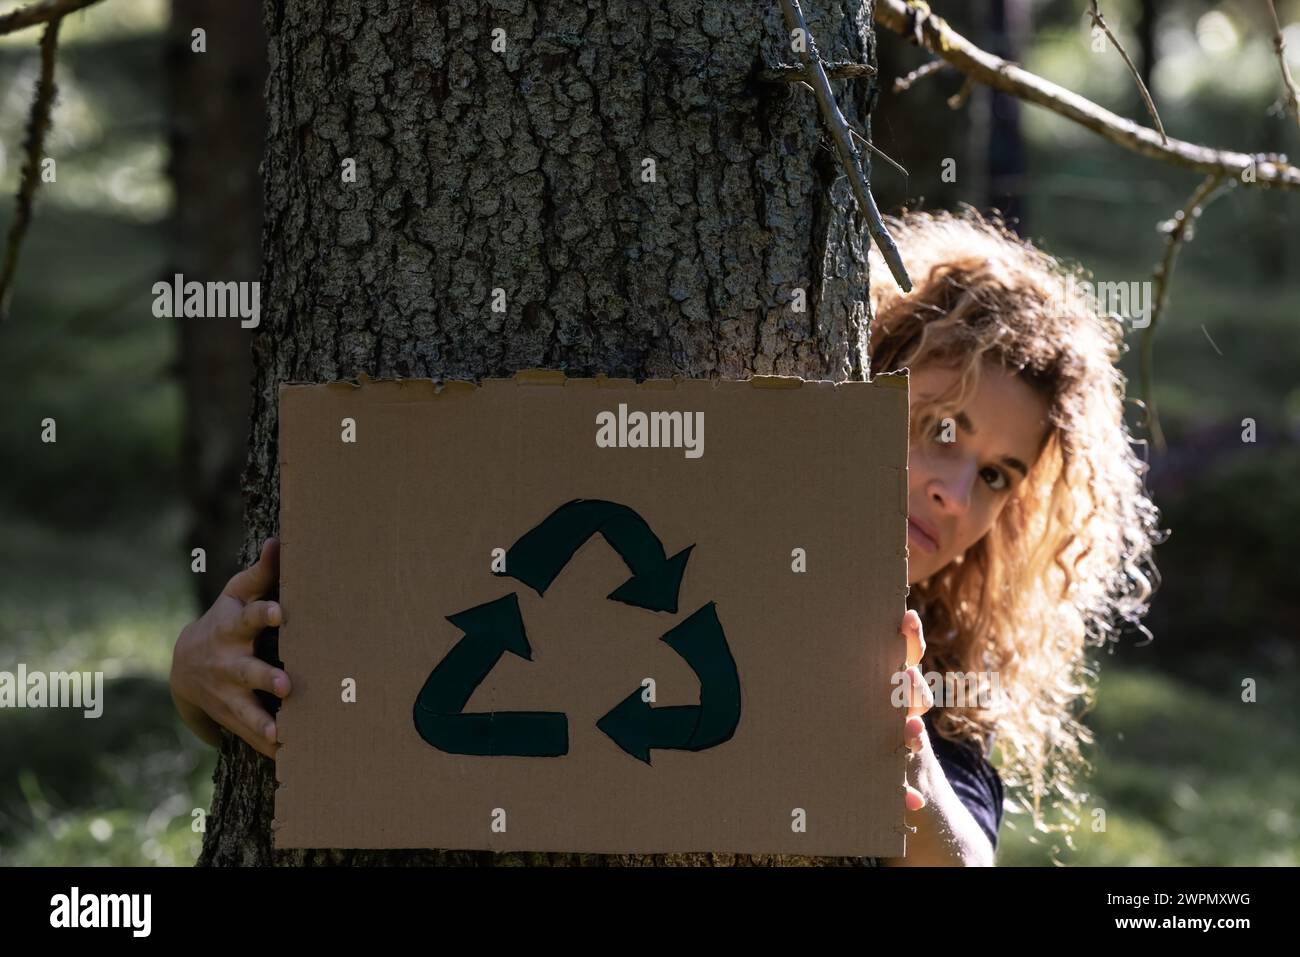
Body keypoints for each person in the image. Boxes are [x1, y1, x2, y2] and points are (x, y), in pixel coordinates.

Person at [170, 206, 1159, 866]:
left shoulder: (933, 668)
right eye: (935, 429)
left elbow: (964, 855)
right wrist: (197, 677)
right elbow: (352, 675)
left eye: (994, 475)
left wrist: (901, 769)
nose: (954, 492)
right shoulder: (659, 533)